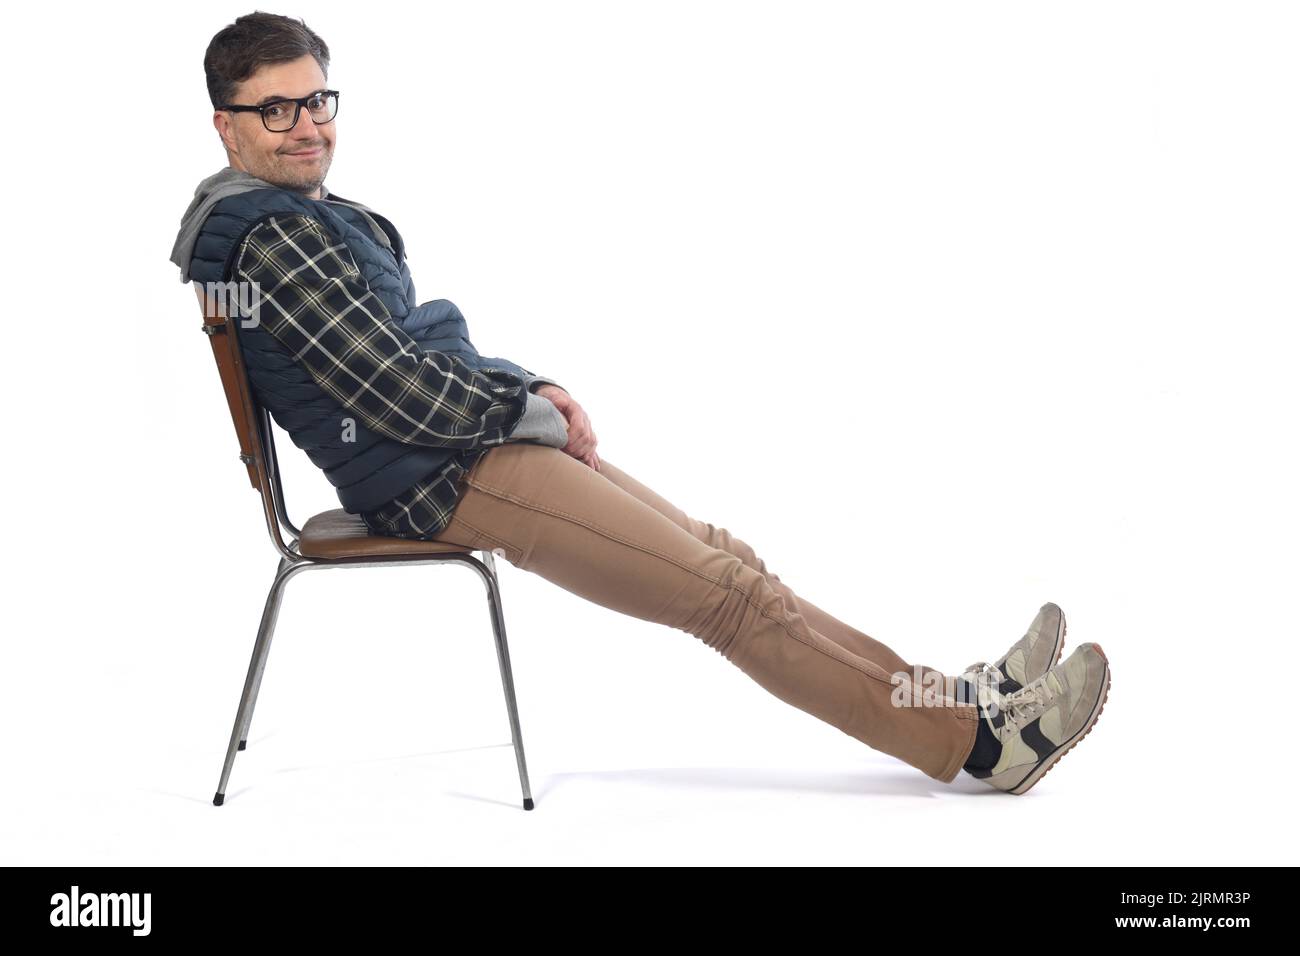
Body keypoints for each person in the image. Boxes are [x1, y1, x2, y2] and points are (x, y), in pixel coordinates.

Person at [170, 12, 1110, 795]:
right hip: (438, 477)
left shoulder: (292, 216)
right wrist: (525, 408)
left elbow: (412, 355)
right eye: (277, 108)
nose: (307, 124)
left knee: (731, 562)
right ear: (228, 125)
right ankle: (983, 748)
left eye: (318, 100)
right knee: (729, 599)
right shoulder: (275, 239)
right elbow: (402, 393)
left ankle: (950, 697)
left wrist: (527, 386)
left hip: (458, 452)